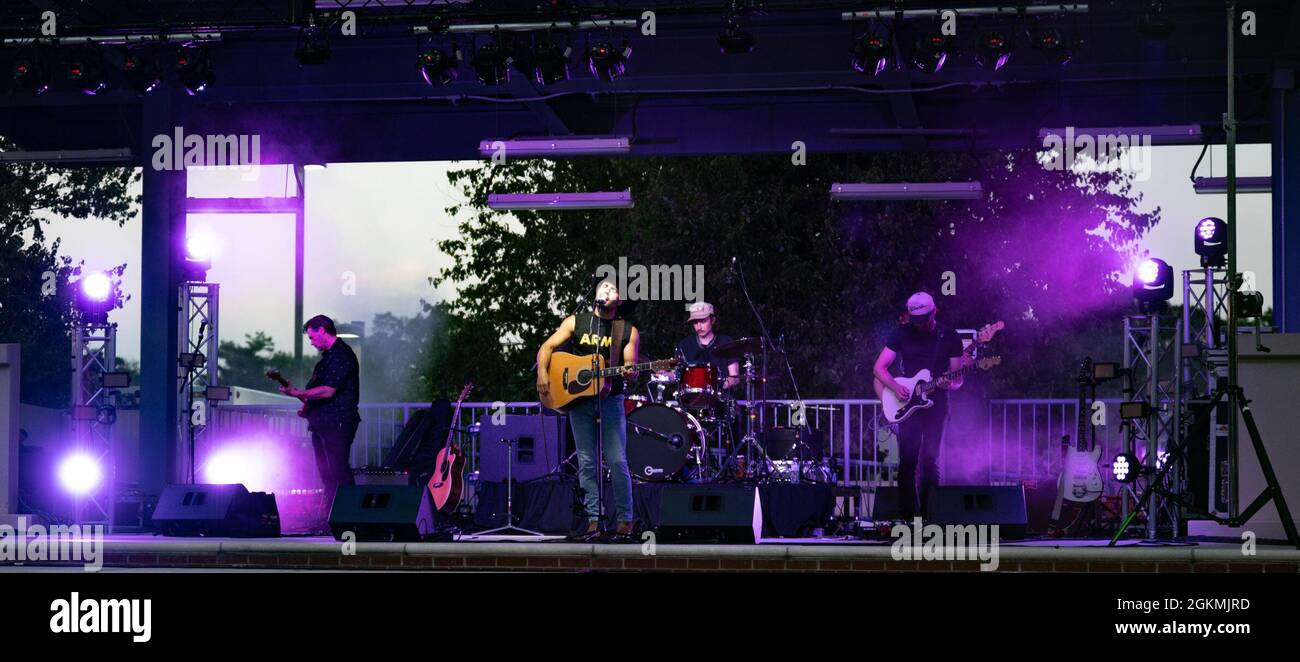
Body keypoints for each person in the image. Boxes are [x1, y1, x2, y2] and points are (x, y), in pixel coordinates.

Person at [535, 280, 640, 541]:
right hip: (578, 400)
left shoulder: (627, 330)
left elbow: (630, 364)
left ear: (621, 300)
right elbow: (547, 347)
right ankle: (594, 519)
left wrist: (629, 372)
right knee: (587, 462)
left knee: (617, 460)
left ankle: (625, 520)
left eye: (612, 289)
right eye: (603, 287)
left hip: (610, 398)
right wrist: (542, 373)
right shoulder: (575, 322)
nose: (606, 291)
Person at [872, 292, 964, 521]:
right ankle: (907, 517)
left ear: (935, 312)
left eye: (924, 320)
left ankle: (930, 516)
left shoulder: (949, 336)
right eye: (916, 321)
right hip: (908, 404)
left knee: (930, 461)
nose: (919, 326)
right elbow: (879, 368)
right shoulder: (901, 333)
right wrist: (894, 386)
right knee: (908, 460)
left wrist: (950, 383)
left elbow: (957, 377)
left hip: (936, 405)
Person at [279, 315, 361, 495]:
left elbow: (328, 390)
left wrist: (298, 393)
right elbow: (315, 396)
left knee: (338, 470)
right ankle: (332, 517)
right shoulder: (325, 361)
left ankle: (350, 516)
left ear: (322, 330)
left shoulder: (342, 355)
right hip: (323, 423)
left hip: (338, 422)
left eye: (311, 337)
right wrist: (297, 394)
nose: (311, 342)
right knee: (327, 475)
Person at [675, 301, 741, 392]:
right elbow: (677, 374)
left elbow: (735, 377)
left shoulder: (726, 342)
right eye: (695, 322)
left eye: (702, 321)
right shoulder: (684, 345)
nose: (698, 327)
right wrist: (664, 375)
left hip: (721, 400)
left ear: (712, 320)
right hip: (692, 401)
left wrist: (722, 385)